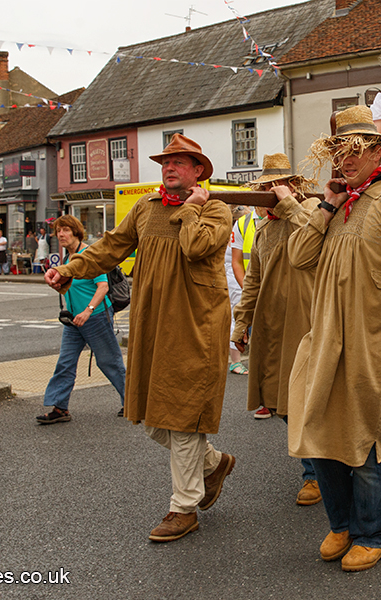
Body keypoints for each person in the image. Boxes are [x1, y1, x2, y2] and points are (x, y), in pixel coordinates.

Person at [45, 134, 236, 543]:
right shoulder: (146, 208)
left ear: (198, 171)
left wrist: (190, 211)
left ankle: (183, 507)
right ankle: (213, 463)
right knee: (150, 417)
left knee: (182, 416)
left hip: (195, 321)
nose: (168, 168)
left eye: (179, 163)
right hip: (152, 320)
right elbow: (111, 247)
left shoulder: (218, 209)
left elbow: (197, 246)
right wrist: (70, 269)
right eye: (165, 162)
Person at [287, 106, 381, 572]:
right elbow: (299, 256)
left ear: (377, 150)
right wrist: (325, 205)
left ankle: (373, 534)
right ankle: (341, 524)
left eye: (356, 150)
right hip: (324, 337)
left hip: (372, 340)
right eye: (339, 151)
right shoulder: (339, 203)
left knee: (364, 441)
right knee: (319, 434)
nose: (346, 159)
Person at [231, 153, 322, 505]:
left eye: (277, 184)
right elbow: (253, 278)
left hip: (309, 320)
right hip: (273, 323)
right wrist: (242, 321)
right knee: (280, 399)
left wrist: (287, 205)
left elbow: (320, 238)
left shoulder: (313, 209)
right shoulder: (264, 227)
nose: (271, 191)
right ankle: (315, 464)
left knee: (307, 397)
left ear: (294, 186)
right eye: (266, 186)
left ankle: (315, 473)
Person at [37, 215, 126, 424]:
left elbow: (102, 286)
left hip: (94, 317)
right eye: (59, 231)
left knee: (109, 362)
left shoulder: (88, 255)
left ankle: (132, 401)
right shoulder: (68, 259)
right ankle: (60, 408)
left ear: (76, 232)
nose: (61, 235)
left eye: (66, 230)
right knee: (65, 362)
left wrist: (88, 310)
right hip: (74, 321)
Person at [226, 206, 250, 376]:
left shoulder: (232, 233)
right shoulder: (235, 234)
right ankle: (235, 361)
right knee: (237, 318)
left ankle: (236, 360)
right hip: (236, 280)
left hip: (236, 279)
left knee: (237, 317)